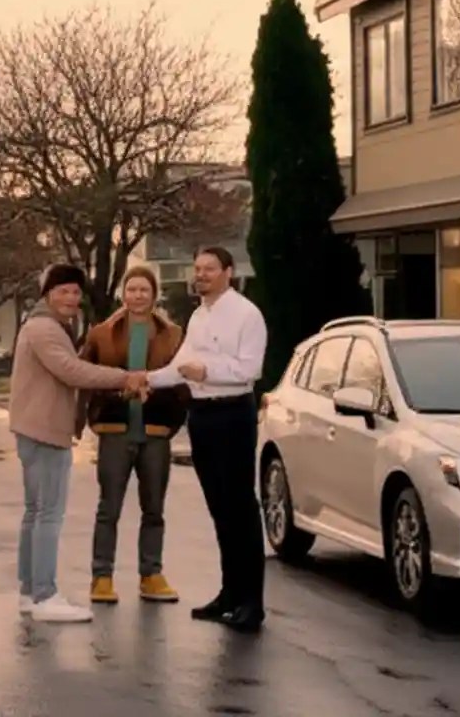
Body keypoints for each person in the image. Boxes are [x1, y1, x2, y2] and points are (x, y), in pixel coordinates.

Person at [9, 264, 149, 623]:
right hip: (43, 430)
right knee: (48, 513)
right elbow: (71, 370)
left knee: (35, 512)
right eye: (63, 291)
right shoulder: (44, 328)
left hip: (36, 427)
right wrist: (126, 377)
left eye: (75, 292)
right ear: (47, 294)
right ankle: (44, 594)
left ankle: (30, 591)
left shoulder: (48, 325)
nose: (71, 298)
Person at [147, 246, 268, 632]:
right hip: (202, 417)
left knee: (240, 509)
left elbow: (250, 369)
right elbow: (178, 367)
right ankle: (229, 594)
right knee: (219, 509)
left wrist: (206, 370)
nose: (201, 275)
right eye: (197, 268)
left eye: (210, 269)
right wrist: (141, 380)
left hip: (233, 414)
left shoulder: (247, 314)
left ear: (228, 272)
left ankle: (252, 603)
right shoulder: (198, 316)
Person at [77, 265, 189, 605]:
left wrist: (171, 418)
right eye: (132, 289)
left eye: (144, 290)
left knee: (154, 508)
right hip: (115, 431)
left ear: (154, 295)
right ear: (123, 294)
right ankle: (101, 577)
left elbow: (183, 382)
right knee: (108, 507)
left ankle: (151, 575)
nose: (138, 295)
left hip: (156, 433)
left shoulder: (173, 334)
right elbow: (86, 377)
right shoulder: (100, 334)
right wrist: (108, 403)